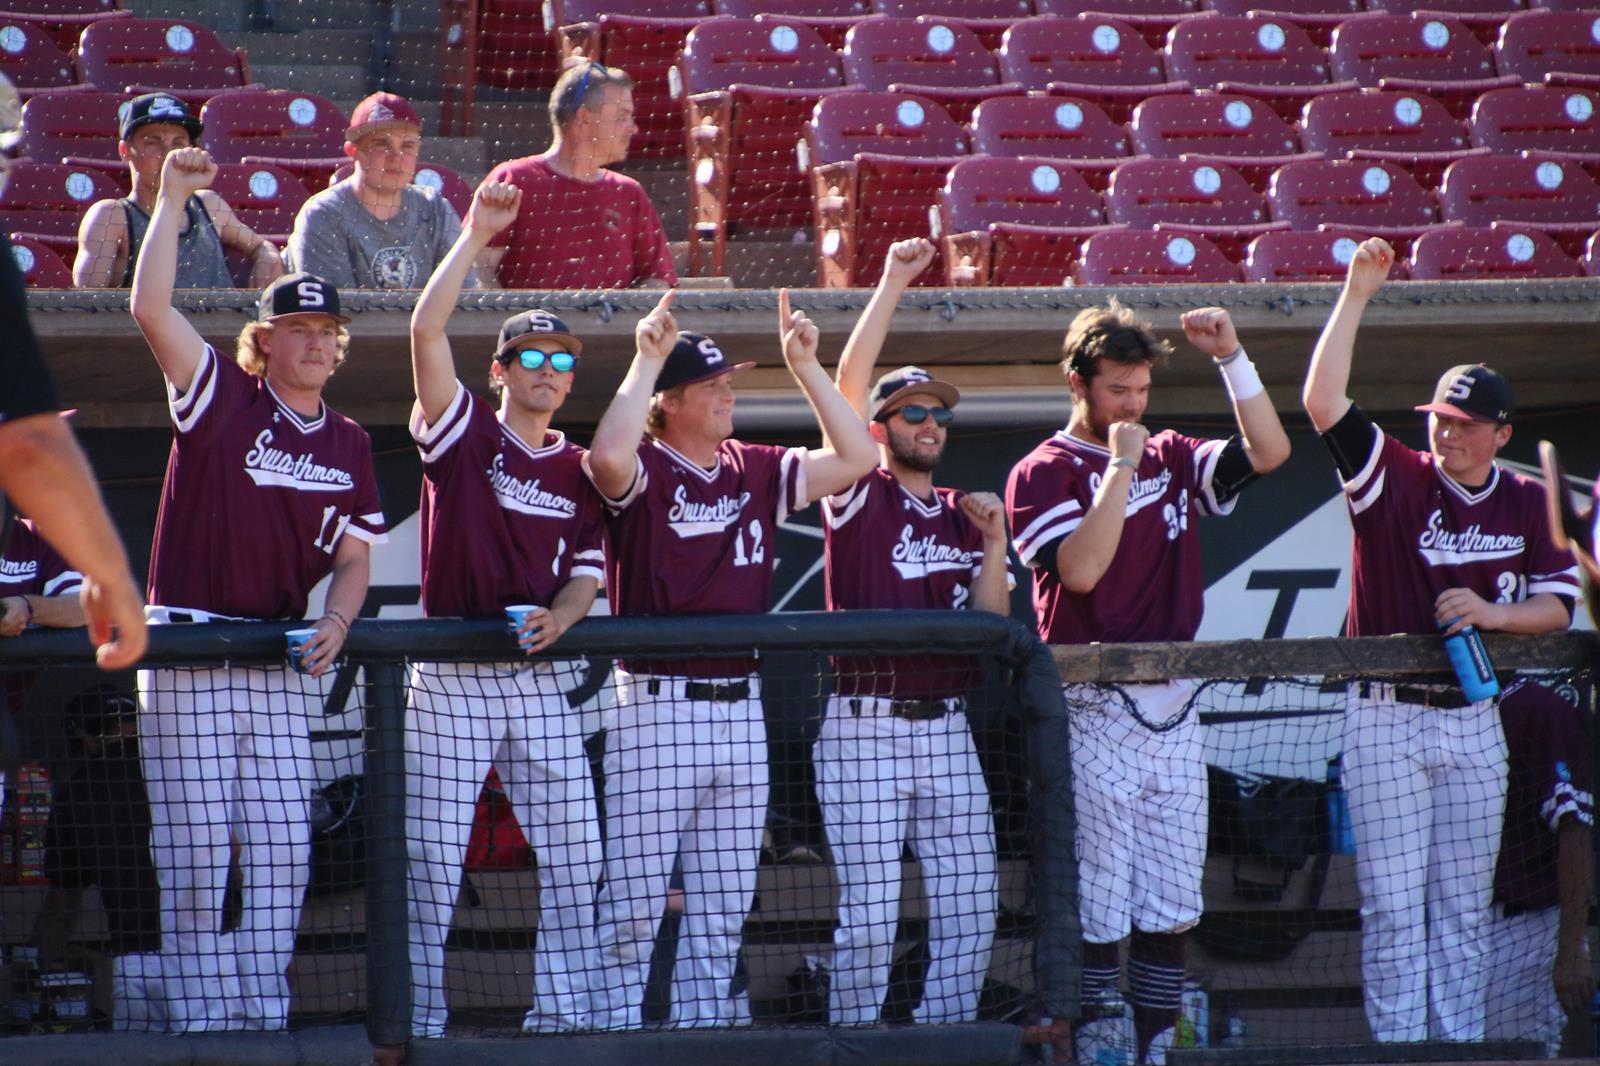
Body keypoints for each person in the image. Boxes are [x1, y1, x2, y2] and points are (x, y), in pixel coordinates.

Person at [128, 146, 388, 1032]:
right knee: (197, 852)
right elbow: (149, 307)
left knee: (282, 850)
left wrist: (340, 618)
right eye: (298, 331)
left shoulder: (350, 442)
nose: (316, 342)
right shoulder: (225, 398)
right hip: (191, 645)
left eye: (328, 333)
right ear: (264, 339)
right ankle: (201, 1018)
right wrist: (170, 200)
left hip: (278, 658)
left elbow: (355, 559)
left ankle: (261, 1011)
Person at [1300, 237, 1579, 1042]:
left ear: (1500, 432)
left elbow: (1560, 608)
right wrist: (1356, 295)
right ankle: (1399, 1051)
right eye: (1438, 420)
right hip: (1387, 712)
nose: (1446, 435)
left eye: (1462, 425)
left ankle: (1456, 1047)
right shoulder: (1398, 474)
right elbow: (1322, 402)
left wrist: (1494, 614)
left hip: (1473, 713)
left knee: (1462, 900)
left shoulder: (1526, 500)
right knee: (1392, 901)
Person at [1005, 301, 1290, 1065]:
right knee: (1100, 906)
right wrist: (1122, 466)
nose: (1132, 404)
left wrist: (1233, 358)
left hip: (1176, 702)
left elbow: (1270, 452)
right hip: (1090, 704)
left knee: (1169, 907)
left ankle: (1154, 1051)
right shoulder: (1043, 470)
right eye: (1117, 389)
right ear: (1080, 383)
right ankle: (1100, 1051)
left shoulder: (1170, 451)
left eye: (1141, 389)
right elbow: (1081, 571)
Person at [583, 289, 876, 1030]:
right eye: (711, 387)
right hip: (657, 707)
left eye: (729, 382)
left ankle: (701, 1039)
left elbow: (857, 456)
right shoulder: (644, 463)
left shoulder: (751, 465)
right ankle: (614, 1041)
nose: (728, 394)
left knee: (721, 910)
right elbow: (606, 456)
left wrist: (807, 368)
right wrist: (647, 360)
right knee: (634, 907)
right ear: (671, 403)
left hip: (739, 709)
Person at [404, 179, 605, 1036]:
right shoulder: (463, 429)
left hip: (533, 669)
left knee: (580, 853)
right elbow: (424, 330)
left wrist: (565, 614)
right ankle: (414, 1021)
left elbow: (588, 573)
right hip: (450, 671)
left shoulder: (582, 465)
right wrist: (477, 235)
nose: (551, 372)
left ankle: (559, 1014)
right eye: (534, 358)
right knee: (432, 861)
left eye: (564, 361)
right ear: (502, 371)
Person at [816, 237, 1006, 1025]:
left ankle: (945, 1039)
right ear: (883, 425)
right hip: (866, 723)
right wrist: (891, 279)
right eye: (915, 412)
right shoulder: (859, 486)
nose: (932, 422)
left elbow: (993, 626)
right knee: (868, 920)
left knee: (972, 909)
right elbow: (847, 384)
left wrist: (996, 542)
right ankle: (851, 1046)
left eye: (941, 413)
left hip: (947, 726)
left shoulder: (966, 513)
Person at [475, 61, 676, 290]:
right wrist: (513, 322)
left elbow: (658, 280)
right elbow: (477, 268)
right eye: (622, 116)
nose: (633, 127)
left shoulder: (629, 193)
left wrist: (625, 319)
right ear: (584, 118)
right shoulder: (514, 180)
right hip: (532, 324)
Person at [74, 93, 283, 290]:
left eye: (178, 143)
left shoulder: (209, 205)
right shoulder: (111, 216)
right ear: (125, 151)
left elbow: (261, 247)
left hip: (220, 326)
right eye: (152, 143)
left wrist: (264, 271)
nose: (168, 155)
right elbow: (86, 301)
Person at [1486, 678, 1594, 1056]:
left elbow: (1575, 830)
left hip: (1526, 928)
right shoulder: (1438, 708)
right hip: (1455, 931)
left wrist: (1570, 952)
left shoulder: (1540, 707)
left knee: (1513, 1056)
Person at [287, 92, 470, 290]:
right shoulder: (323, 214)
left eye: (407, 146)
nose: (396, 157)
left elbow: (463, 299)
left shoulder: (436, 209)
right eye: (382, 144)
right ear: (353, 152)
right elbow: (332, 314)